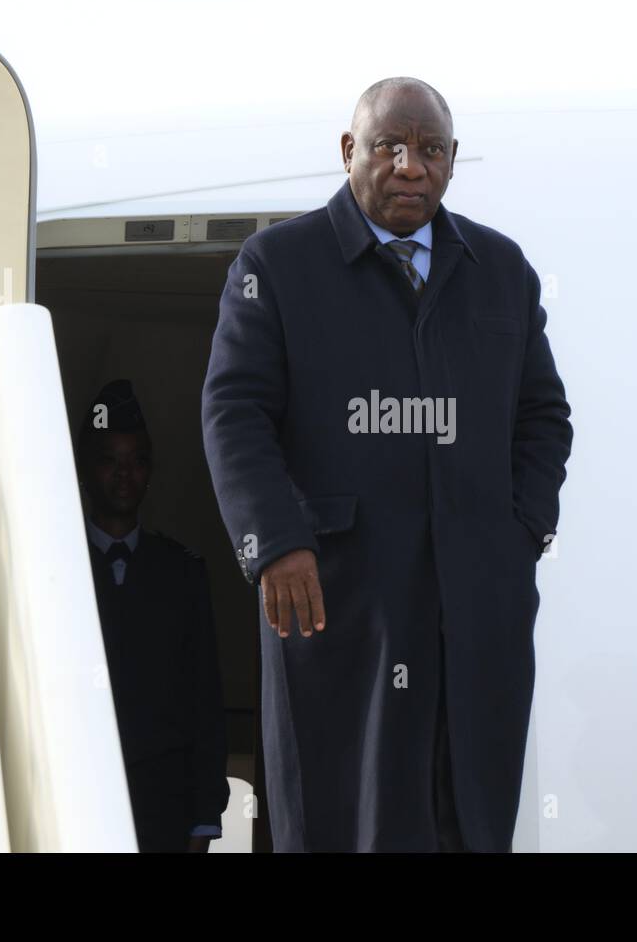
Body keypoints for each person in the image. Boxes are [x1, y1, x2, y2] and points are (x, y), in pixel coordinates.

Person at [201, 77, 572, 852]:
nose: (411, 166)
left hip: (475, 603)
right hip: (337, 598)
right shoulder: (278, 263)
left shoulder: (500, 267)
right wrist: (275, 542)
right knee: (350, 812)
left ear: (451, 160)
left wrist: (519, 534)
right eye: (389, 147)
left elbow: (543, 415)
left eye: (431, 150)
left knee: (465, 808)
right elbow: (234, 412)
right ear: (349, 152)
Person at [77, 379, 230, 852]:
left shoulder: (181, 572)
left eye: (137, 461)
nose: (125, 475)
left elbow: (204, 700)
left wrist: (204, 820)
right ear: (86, 467)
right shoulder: (56, 563)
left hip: (163, 807)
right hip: (76, 796)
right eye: (110, 460)